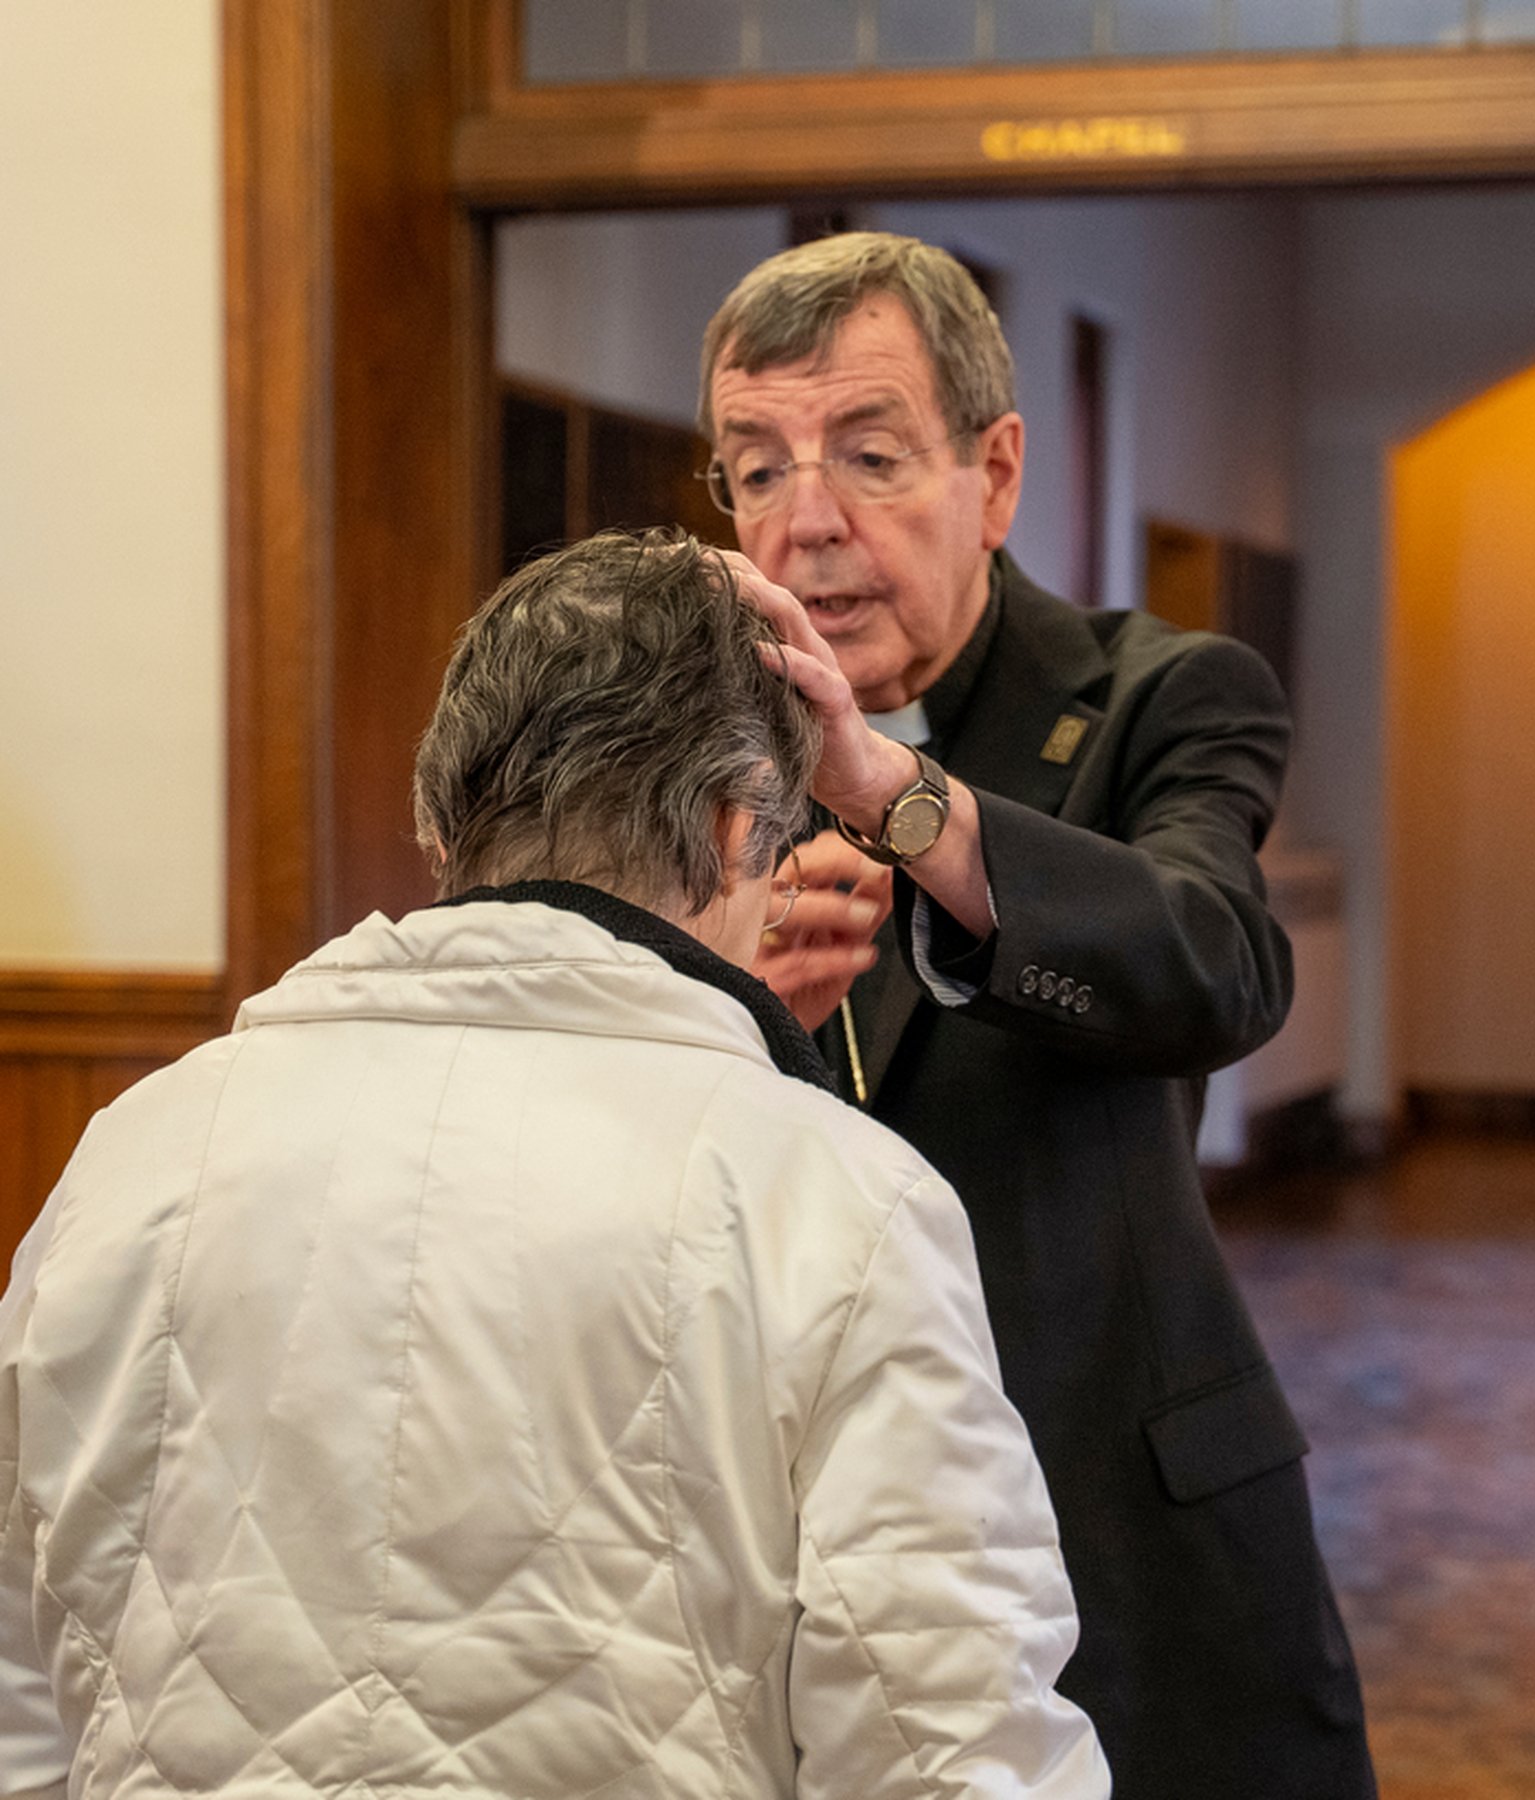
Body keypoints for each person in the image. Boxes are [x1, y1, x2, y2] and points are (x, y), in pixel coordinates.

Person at [0, 532, 1107, 1800]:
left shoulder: (138, 1152)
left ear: (442, 818)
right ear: (737, 823)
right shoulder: (840, 1205)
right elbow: (951, 1753)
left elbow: (21, 1681)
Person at [705, 231, 1376, 1797]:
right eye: (753, 470)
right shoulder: (686, 746)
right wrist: (742, 1014)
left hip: (1109, 1512)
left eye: (870, 457)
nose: (807, 525)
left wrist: (895, 797)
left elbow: (1216, 963)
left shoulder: (1164, 693)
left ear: (996, 474)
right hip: (784, 1527)